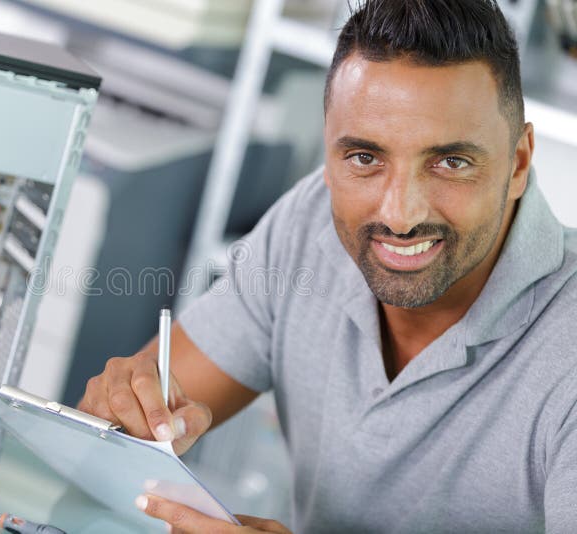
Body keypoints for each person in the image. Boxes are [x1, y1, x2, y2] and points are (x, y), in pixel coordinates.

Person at [78, 0, 577, 532]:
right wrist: (118, 416)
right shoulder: (309, 222)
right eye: (364, 158)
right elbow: (119, 441)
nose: (400, 215)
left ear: (519, 162)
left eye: (451, 162)